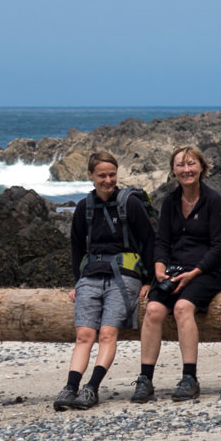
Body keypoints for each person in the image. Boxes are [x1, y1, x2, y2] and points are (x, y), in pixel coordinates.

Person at [55, 151, 155, 410]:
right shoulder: (83, 208)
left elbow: (149, 241)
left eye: (112, 175)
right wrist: (78, 282)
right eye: (102, 175)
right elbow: (77, 247)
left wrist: (149, 280)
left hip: (126, 277)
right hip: (91, 276)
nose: (108, 180)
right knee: (84, 334)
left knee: (108, 334)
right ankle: (71, 387)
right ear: (90, 176)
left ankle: (92, 388)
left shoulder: (130, 203)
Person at [134, 145, 221, 402]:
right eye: (180, 165)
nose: (186, 170)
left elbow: (219, 247)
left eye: (191, 164)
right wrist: (159, 267)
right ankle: (145, 378)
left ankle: (189, 378)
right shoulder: (170, 202)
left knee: (182, 308)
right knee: (153, 310)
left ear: (201, 167)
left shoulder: (213, 200)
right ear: (173, 171)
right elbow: (162, 241)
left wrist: (194, 273)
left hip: (206, 271)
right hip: (174, 270)